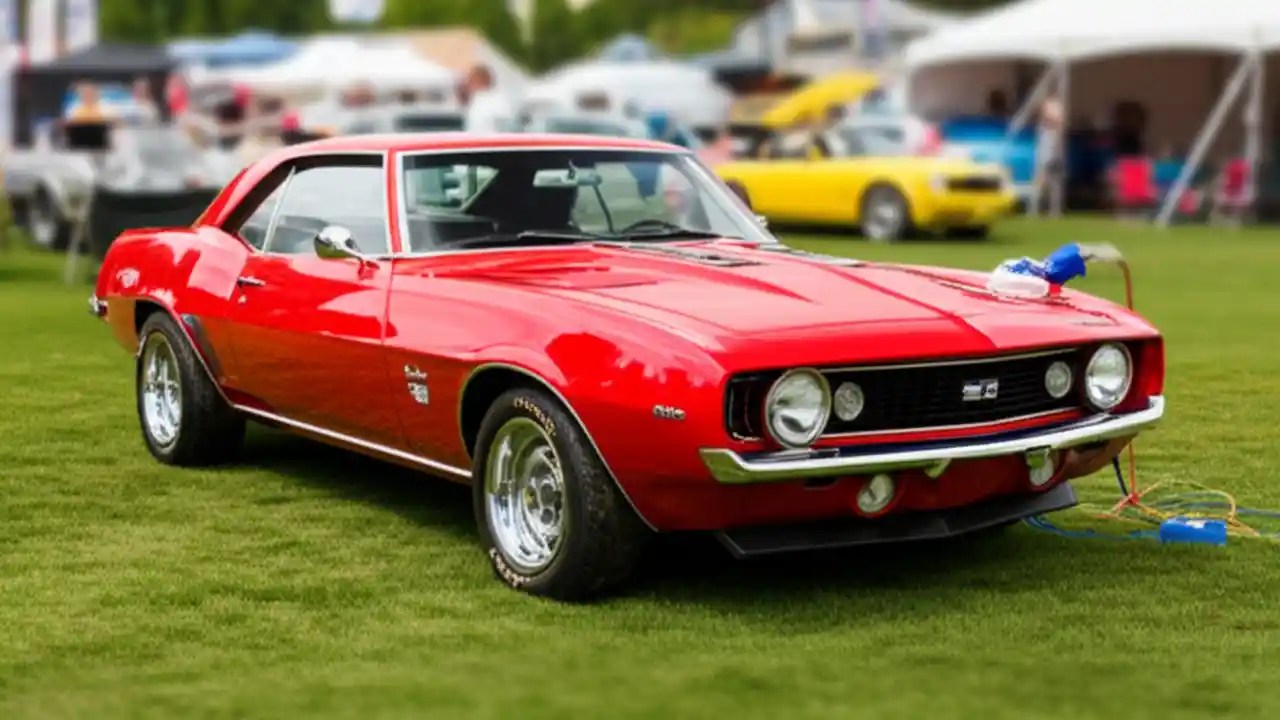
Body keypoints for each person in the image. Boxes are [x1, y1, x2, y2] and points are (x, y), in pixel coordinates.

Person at [1033, 91, 1065, 215]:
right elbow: (1049, 119)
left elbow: (1059, 121)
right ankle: (1037, 206)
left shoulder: (1054, 131)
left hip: (1054, 150)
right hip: (1046, 151)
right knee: (1042, 178)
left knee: (1054, 179)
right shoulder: (1044, 130)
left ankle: (1053, 208)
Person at [463, 64, 512, 134]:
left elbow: (505, 126)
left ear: (482, 80)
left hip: (492, 141)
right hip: (475, 141)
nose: (468, 83)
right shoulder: (476, 99)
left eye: (472, 79)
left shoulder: (497, 101)